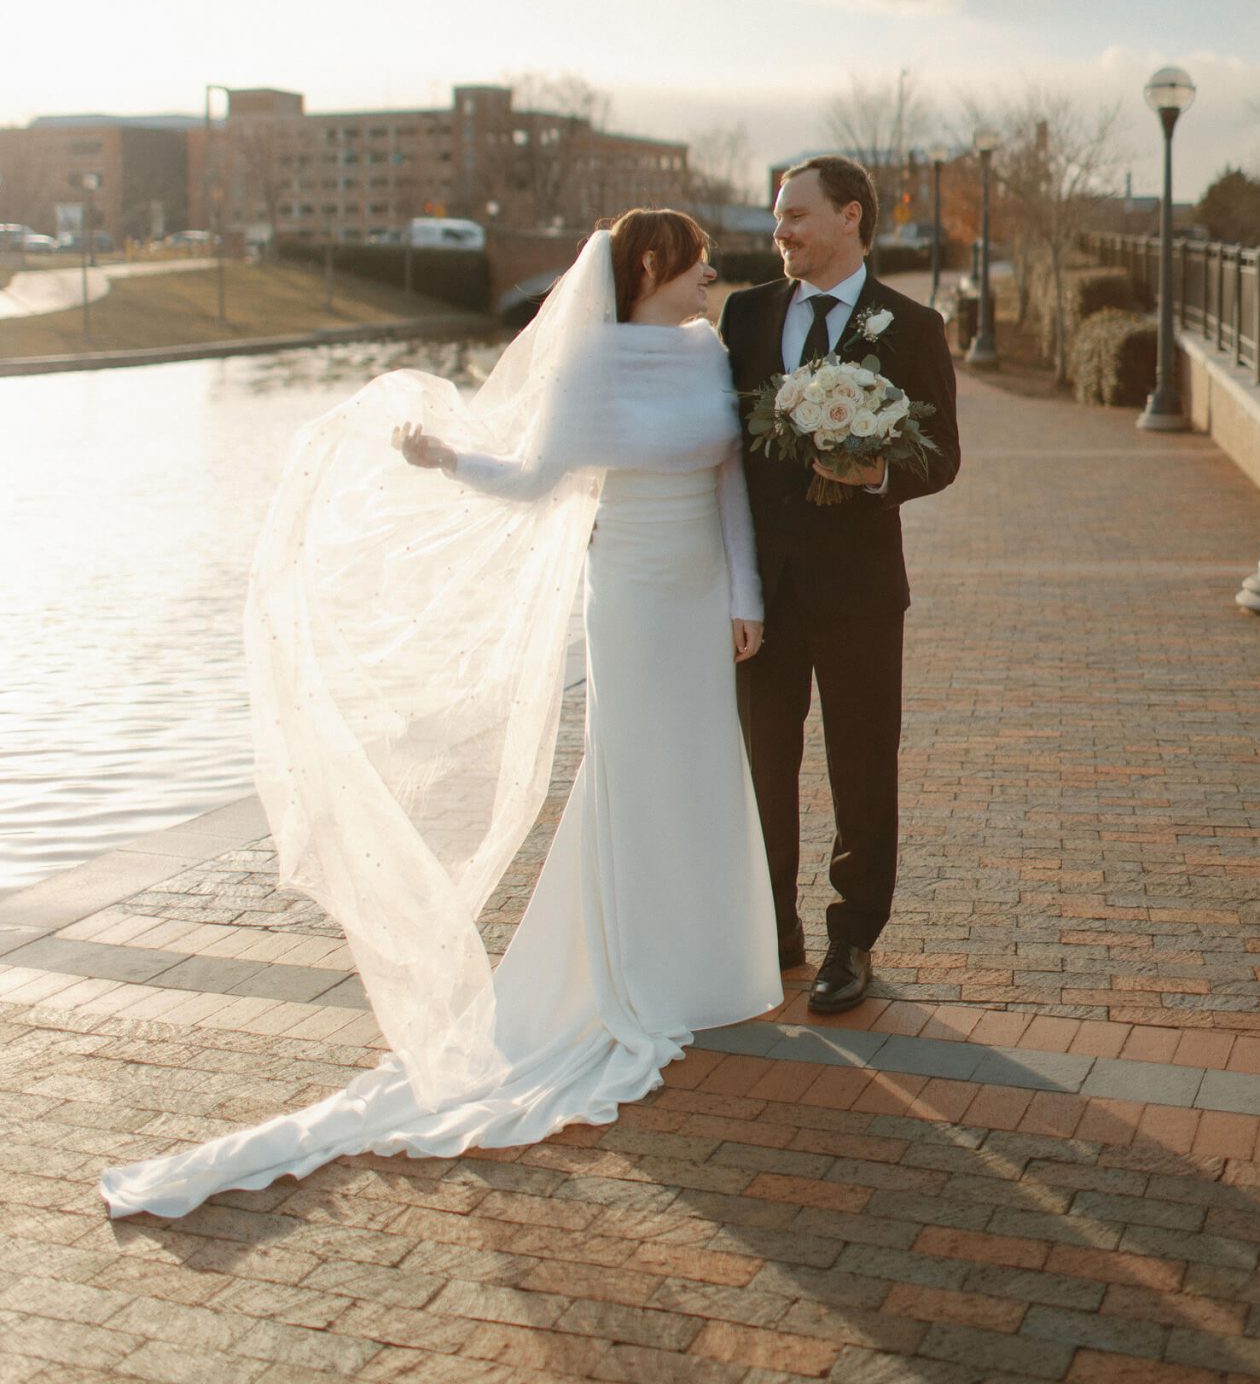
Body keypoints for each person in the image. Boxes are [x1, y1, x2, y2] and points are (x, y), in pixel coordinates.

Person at [100, 211, 780, 1220]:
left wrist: (746, 593)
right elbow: (540, 480)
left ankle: (711, 963)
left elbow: (728, 478)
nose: (712, 272)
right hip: (632, 600)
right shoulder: (593, 368)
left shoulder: (703, 349)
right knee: (638, 776)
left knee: (704, 772)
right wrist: (445, 457)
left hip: (695, 598)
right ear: (651, 267)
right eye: (695, 262)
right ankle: (641, 977)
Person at [719, 155, 960, 1015]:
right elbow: (720, 450)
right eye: (777, 217)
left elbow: (940, 458)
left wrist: (870, 473)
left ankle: (850, 940)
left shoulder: (909, 323)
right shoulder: (745, 316)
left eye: (794, 215)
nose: (778, 231)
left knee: (862, 765)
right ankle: (771, 926)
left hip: (859, 591)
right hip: (763, 594)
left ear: (849, 217)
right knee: (762, 763)